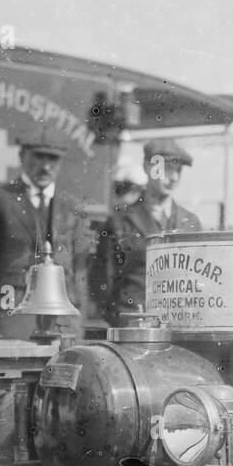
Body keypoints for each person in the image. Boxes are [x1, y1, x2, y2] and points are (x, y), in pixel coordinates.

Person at [0, 132, 82, 341]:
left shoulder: (71, 208)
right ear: (22, 156)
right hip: (11, 319)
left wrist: (79, 325)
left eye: (53, 159)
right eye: (38, 157)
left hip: (63, 325)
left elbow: (79, 270)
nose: (45, 167)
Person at [93, 138, 202, 326]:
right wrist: (123, 320)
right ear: (147, 167)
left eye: (178, 170)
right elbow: (104, 284)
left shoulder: (190, 223)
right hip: (134, 325)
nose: (173, 177)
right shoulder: (120, 222)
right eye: (166, 168)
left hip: (179, 326)